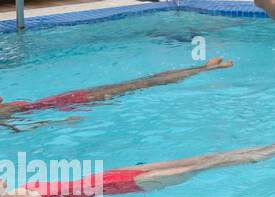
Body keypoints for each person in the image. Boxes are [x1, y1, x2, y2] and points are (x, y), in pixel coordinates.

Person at [0, 133, 275, 197]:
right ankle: (266, 155)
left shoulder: (20, 188)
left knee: (202, 159)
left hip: (115, 174)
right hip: (127, 186)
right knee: (208, 167)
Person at [1, 57, 232, 128]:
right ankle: (204, 68)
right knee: (140, 84)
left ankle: (202, 68)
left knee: (140, 82)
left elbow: (21, 126)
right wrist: (63, 120)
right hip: (75, 102)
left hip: (68, 99)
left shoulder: (5, 108)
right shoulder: (6, 111)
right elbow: (26, 126)